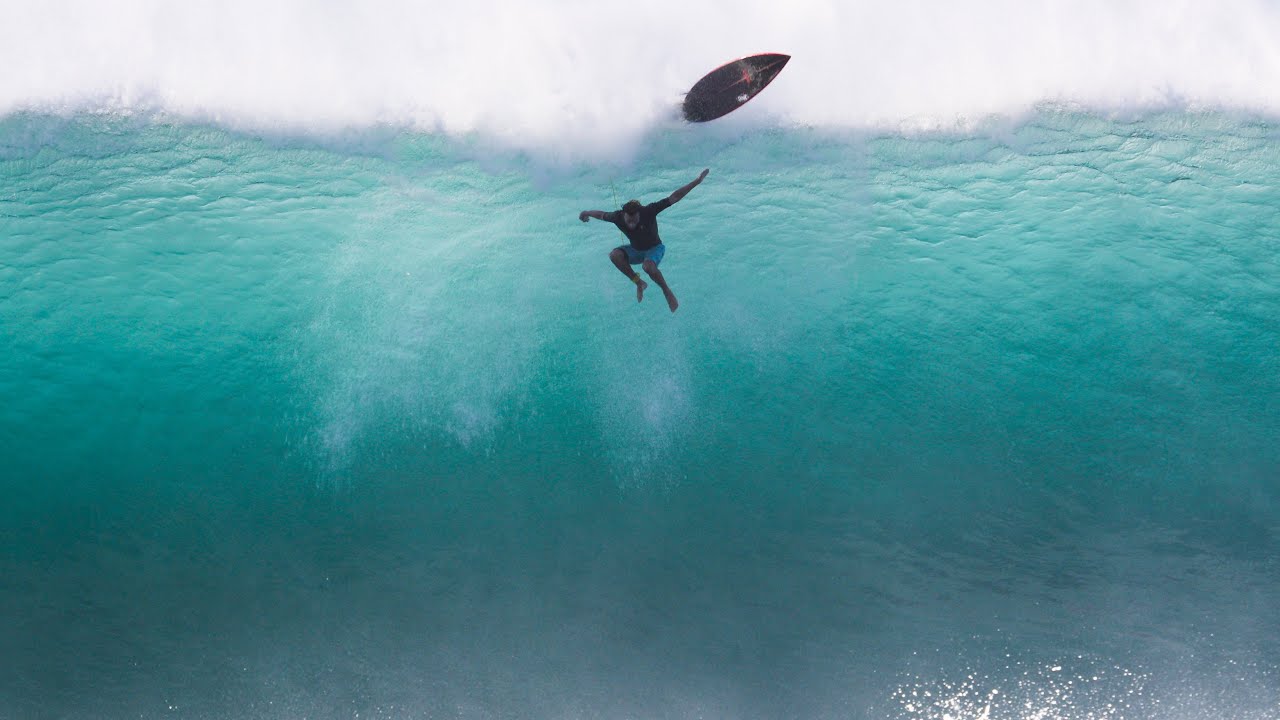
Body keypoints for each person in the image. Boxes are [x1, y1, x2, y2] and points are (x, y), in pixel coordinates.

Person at [578, 168, 709, 313]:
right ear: (624, 215)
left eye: (634, 220)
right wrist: (587, 212)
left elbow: (674, 197)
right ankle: (639, 283)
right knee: (614, 255)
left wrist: (697, 181)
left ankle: (666, 291)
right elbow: (602, 214)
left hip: (655, 248)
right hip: (635, 250)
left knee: (647, 267)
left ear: (639, 214)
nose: (631, 223)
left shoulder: (649, 211)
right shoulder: (618, 217)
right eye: (628, 220)